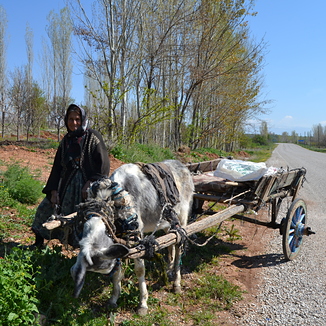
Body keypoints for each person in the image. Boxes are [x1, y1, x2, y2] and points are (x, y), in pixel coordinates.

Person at [31, 104, 110, 248]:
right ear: (66, 121)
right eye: (71, 119)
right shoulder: (66, 141)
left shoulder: (93, 137)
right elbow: (57, 167)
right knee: (44, 208)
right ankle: (38, 244)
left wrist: (91, 182)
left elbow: (103, 164)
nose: (74, 123)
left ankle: (82, 252)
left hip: (87, 188)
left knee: (83, 218)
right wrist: (53, 191)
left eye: (78, 119)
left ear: (83, 120)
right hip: (66, 185)